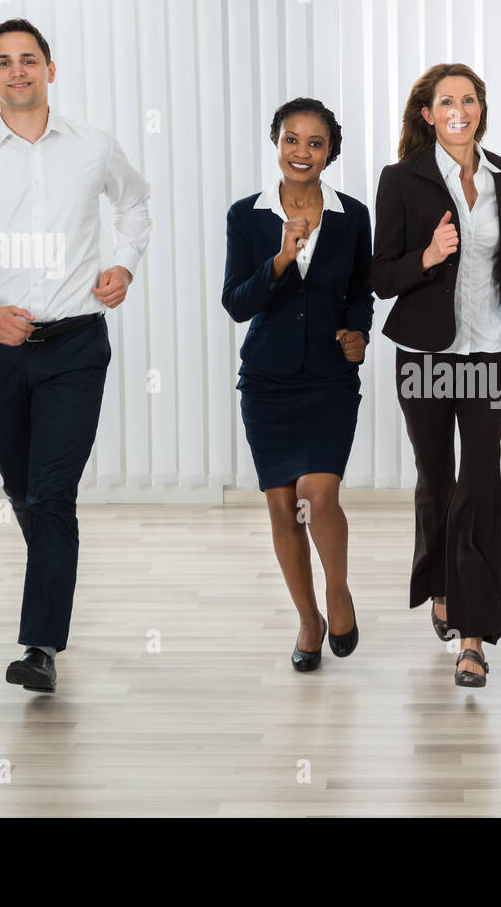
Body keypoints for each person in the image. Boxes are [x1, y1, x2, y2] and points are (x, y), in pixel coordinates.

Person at [0, 18, 152, 693]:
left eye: (29, 59)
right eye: (3, 62)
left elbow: (137, 206)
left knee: (52, 494)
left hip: (76, 342)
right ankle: (53, 575)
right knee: (22, 489)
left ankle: (40, 644)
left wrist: (125, 265)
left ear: (51, 68)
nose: (18, 71)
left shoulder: (93, 147)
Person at [371, 63, 501, 688]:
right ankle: (439, 581)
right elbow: (381, 276)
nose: (459, 110)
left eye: (468, 99)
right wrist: (428, 256)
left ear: (480, 109)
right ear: (428, 114)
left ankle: (473, 636)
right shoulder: (402, 180)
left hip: (488, 348)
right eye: (446, 101)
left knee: (480, 483)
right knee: (437, 479)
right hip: (423, 354)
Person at [221, 99, 373, 673]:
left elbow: (362, 290)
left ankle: (338, 592)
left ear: (330, 150)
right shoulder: (247, 215)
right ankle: (307, 619)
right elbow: (236, 303)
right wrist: (281, 259)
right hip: (267, 380)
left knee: (317, 495)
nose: (302, 152)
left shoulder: (352, 215)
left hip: (331, 377)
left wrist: (359, 330)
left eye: (314, 142)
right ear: (276, 143)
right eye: (292, 140)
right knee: (283, 510)